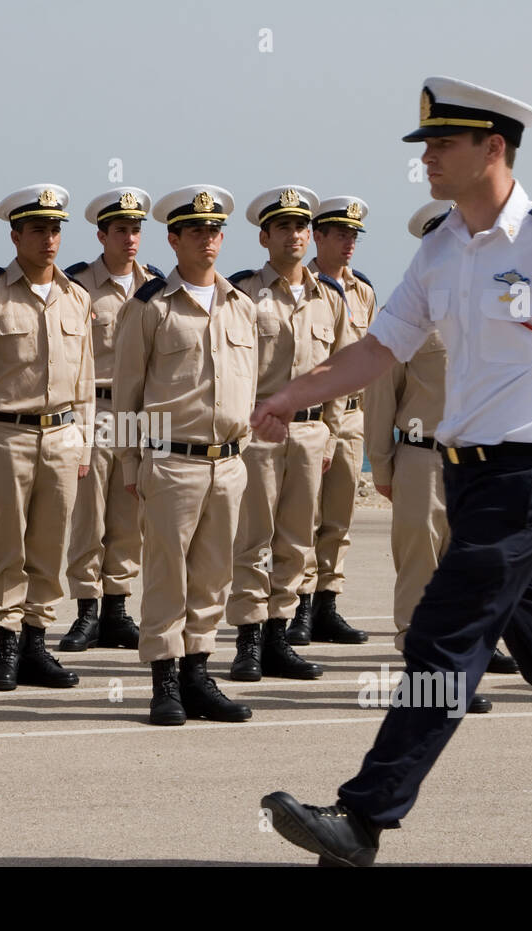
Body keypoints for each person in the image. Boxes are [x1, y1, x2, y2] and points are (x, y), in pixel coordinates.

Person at [256, 77, 532, 866]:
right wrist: (294, 393)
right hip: (468, 479)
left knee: (442, 633)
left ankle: (363, 817)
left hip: (530, 476)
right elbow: (381, 346)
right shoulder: (442, 247)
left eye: (442, 143)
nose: (426, 157)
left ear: (493, 148)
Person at [361, 198, 515, 715]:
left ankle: (458, 670)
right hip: (422, 460)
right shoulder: (407, 315)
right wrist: (382, 468)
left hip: (479, 462)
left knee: (470, 571)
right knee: (421, 567)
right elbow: (381, 397)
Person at [112, 184, 256, 725]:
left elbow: (250, 386)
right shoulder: (150, 307)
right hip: (172, 460)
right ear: (172, 239)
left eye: (215, 230)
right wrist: (130, 462)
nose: (208, 240)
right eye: (196, 231)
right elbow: (126, 393)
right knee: (167, 574)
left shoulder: (240, 306)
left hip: (228, 461)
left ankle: (198, 672)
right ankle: (165, 681)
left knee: (214, 575)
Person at [0, 185, 93, 692]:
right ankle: (5, 646)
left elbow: (84, 381)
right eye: (37, 229)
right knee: (5, 547)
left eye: (55, 229)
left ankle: (37, 643)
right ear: (15, 234)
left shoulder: (76, 297)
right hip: (7, 435)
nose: (49, 239)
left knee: (49, 545)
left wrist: (82, 442)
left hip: (61, 435)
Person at [224, 185, 344, 682]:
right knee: (254, 540)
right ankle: (248, 642)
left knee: (297, 542)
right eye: (284, 227)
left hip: (312, 433)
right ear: (264, 236)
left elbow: (339, 372)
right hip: (259, 433)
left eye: (301, 227)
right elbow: (229, 369)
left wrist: (332, 436)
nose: (294, 235)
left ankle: (280, 637)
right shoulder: (243, 293)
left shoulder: (329, 298)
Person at [58, 186, 162, 652]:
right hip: (96, 408)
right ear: (101, 235)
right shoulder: (78, 286)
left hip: (137, 414)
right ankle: (86, 609)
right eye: (121, 230)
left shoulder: (157, 285)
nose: (130, 238)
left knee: (130, 511)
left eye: (136, 229)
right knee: (88, 512)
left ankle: (118, 607)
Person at [293, 195, 375, 645]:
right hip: (311, 421)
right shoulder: (305, 289)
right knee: (304, 517)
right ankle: (299, 606)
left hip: (353, 418)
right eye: (340, 234)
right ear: (317, 236)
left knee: (339, 519)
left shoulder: (363, 291)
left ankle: (328, 602)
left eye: (354, 236)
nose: (349, 243)